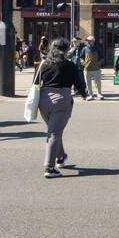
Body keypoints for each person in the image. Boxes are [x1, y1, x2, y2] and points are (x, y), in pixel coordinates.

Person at [33, 38, 87, 178]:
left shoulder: (44, 64)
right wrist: (84, 94)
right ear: (66, 49)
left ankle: (61, 156)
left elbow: (35, 81)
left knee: (54, 130)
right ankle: (50, 168)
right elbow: (79, 83)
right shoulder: (69, 65)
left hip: (43, 101)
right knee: (54, 133)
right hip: (62, 99)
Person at [82, 35, 104, 100]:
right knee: (88, 83)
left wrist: (98, 64)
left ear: (93, 41)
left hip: (96, 69)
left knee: (98, 82)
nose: (88, 42)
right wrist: (84, 63)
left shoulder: (98, 48)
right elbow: (81, 57)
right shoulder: (84, 49)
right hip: (87, 69)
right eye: (87, 41)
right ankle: (90, 95)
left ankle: (99, 93)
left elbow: (102, 57)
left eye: (90, 41)